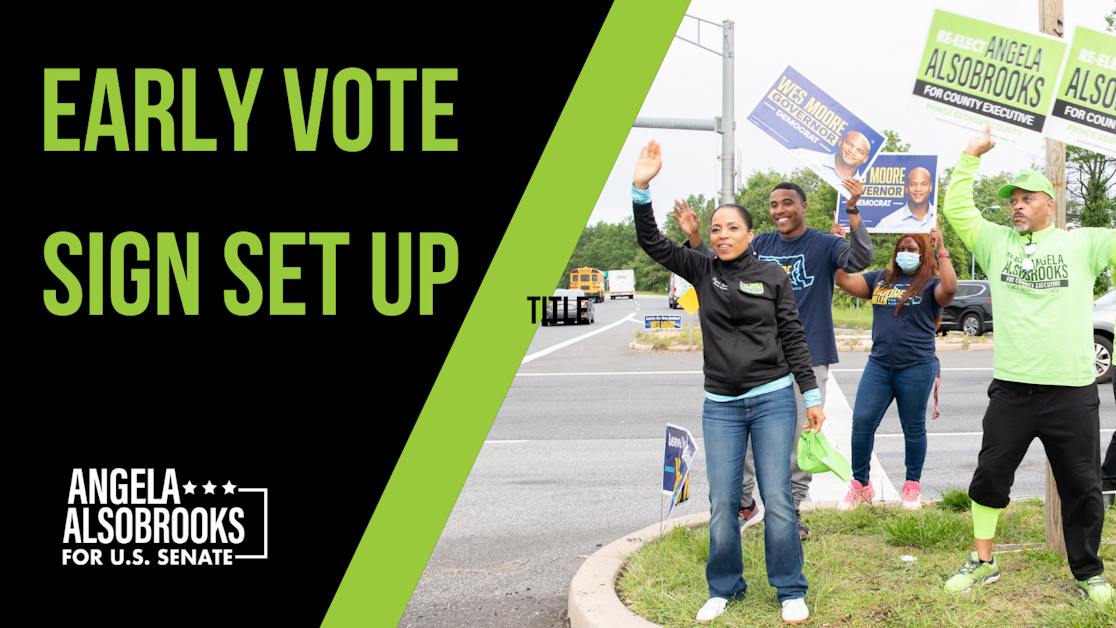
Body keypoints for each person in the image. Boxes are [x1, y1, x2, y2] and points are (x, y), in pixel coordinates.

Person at [633, 139, 822, 625]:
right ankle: (724, 588)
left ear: (751, 234)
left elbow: (793, 336)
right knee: (722, 501)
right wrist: (641, 189)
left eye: (732, 228)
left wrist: (811, 395)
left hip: (773, 399)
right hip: (720, 405)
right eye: (716, 229)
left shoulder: (773, 276)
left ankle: (789, 589)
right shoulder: (702, 269)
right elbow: (652, 242)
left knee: (777, 498)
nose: (722, 236)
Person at [940, 127, 1116, 604]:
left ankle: (1089, 573)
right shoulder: (996, 243)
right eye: (1012, 201)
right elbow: (958, 209)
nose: (1016, 206)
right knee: (989, 476)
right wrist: (970, 154)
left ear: (1049, 205)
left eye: (1026, 199)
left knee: (1083, 486)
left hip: (1072, 390)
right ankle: (983, 561)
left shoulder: (1084, 244)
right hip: (1013, 389)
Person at [672, 176, 873, 539]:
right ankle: (743, 504)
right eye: (773, 205)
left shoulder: (825, 243)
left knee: (799, 440)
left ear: (804, 206)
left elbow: (860, 258)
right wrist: (697, 236)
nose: (780, 210)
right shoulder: (760, 243)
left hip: (809, 354)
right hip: (761, 359)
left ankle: (792, 509)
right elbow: (714, 266)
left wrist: (853, 208)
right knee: (746, 439)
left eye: (787, 203)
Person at [832, 221, 956, 511]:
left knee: (913, 428)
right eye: (902, 248)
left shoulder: (931, 283)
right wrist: (836, 246)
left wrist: (941, 248)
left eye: (912, 249)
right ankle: (860, 485)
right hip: (879, 365)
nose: (905, 253)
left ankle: (912, 487)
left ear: (922, 253)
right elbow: (843, 280)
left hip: (916, 366)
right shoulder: (880, 279)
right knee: (862, 422)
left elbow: (950, 289)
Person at [788, 130, 872, 191]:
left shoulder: (861, 190)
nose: (852, 151)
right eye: (849, 144)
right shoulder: (804, 156)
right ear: (840, 142)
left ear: (865, 159)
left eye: (860, 151)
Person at [873, 167, 936, 232]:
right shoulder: (887, 224)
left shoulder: (939, 218)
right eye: (913, 184)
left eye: (924, 184)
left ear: (930, 187)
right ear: (906, 188)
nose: (918, 189)